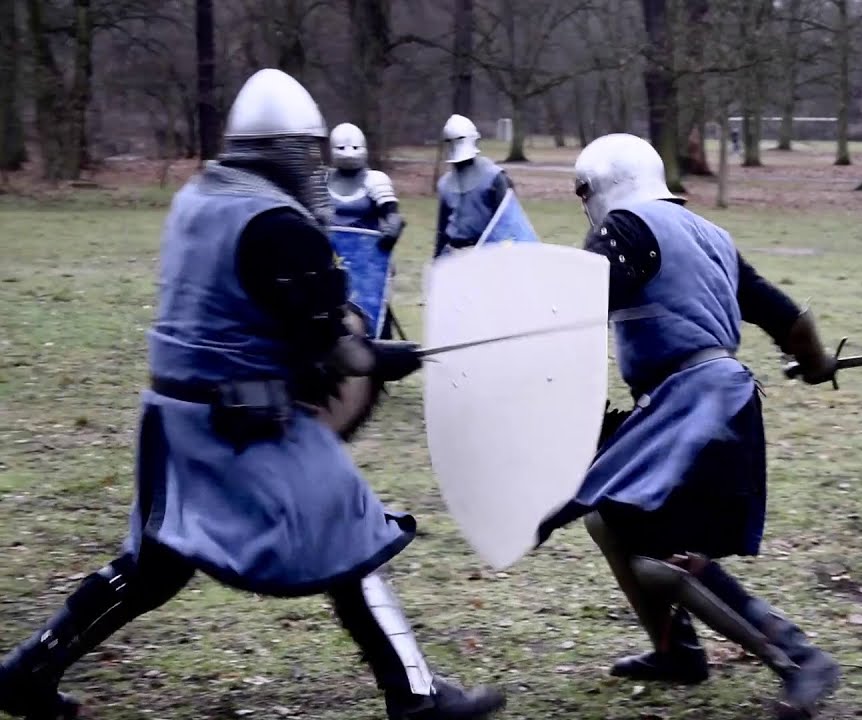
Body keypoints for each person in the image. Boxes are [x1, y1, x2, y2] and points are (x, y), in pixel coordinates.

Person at [0, 69, 505, 720]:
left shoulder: (198, 197)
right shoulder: (278, 224)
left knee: (155, 565)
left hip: (171, 418)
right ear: (293, 150)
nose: (318, 165)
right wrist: (387, 357)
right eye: (310, 151)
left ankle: (27, 671)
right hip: (240, 422)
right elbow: (334, 349)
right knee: (348, 530)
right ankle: (417, 698)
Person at [537, 133, 841, 719]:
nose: (585, 210)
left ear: (599, 187)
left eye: (583, 195)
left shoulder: (623, 229)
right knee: (608, 515)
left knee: (659, 555)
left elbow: (573, 312)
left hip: (692, 405)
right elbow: (788, 317)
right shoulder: (712, 236)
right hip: (708, 399)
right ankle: (676, 652)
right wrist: (816, 361)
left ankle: (800, 658)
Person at [327, 122, 406, 339]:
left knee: (375, 316)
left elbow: (393, 214)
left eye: (353, 147)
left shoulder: (375, 180)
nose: (348, 153)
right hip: (331, 262)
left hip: (368, 263)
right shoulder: (322, 181)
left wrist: (392, 229)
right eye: (341, 148)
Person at [434, 115, 513, 258]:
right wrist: (437, 258)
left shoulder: (494, 177)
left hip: (486, 254)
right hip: (454, 253)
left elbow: (508, 221)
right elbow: (443, 228)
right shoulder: (445, 183)